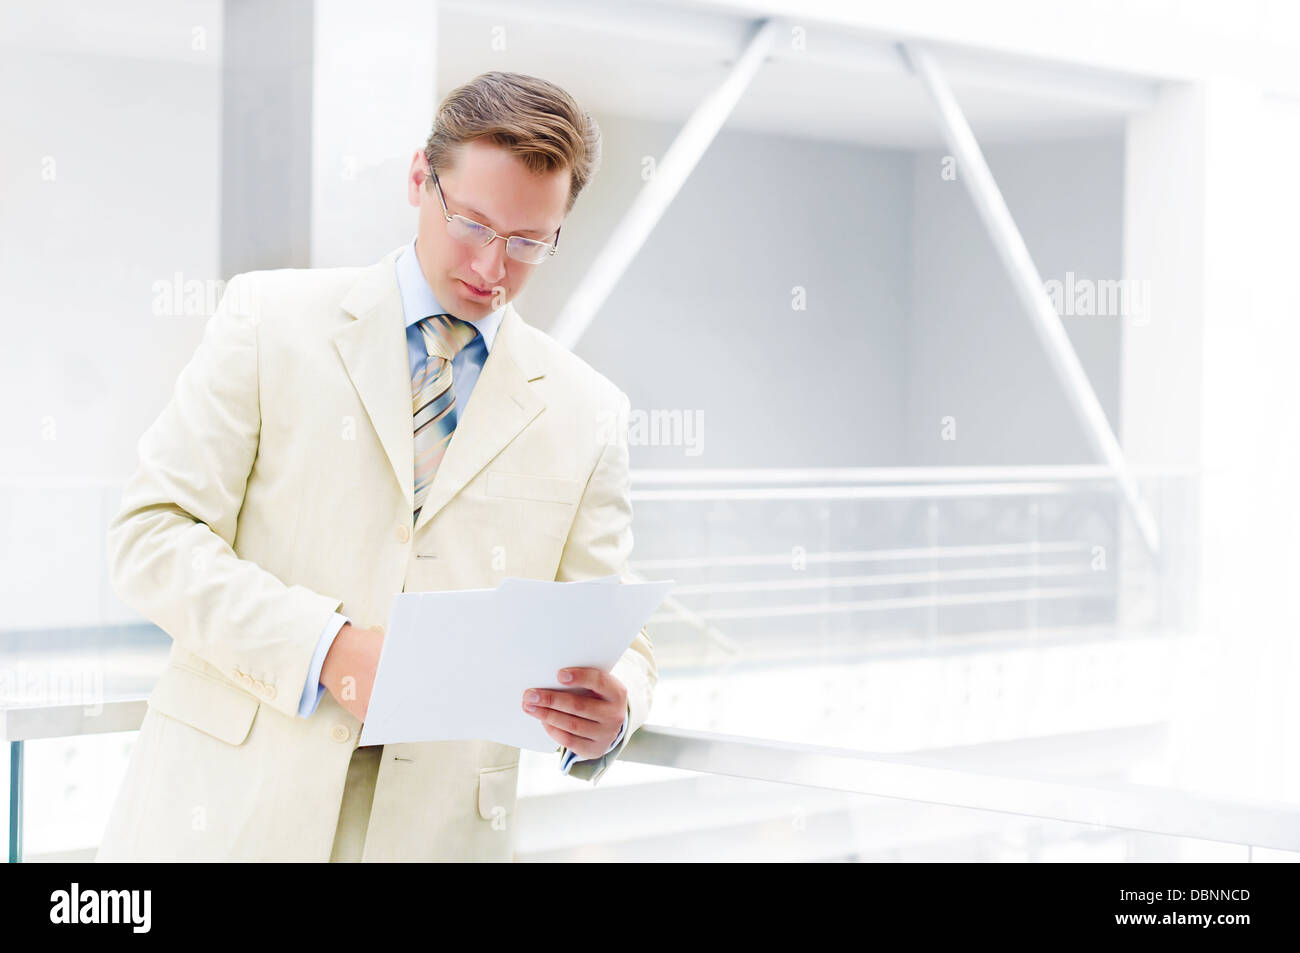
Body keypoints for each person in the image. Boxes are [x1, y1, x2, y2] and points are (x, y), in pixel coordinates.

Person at [96, 71, 656, 862]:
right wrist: (325, 646)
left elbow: (614, 628)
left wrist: (616, 708)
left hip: (433, 833)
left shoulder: (588, 411)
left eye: (529, 242)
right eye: (472, 224)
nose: (494, 268)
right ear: (419, 178)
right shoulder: (269, 320)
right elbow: (150, 537)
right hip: (225, 816)